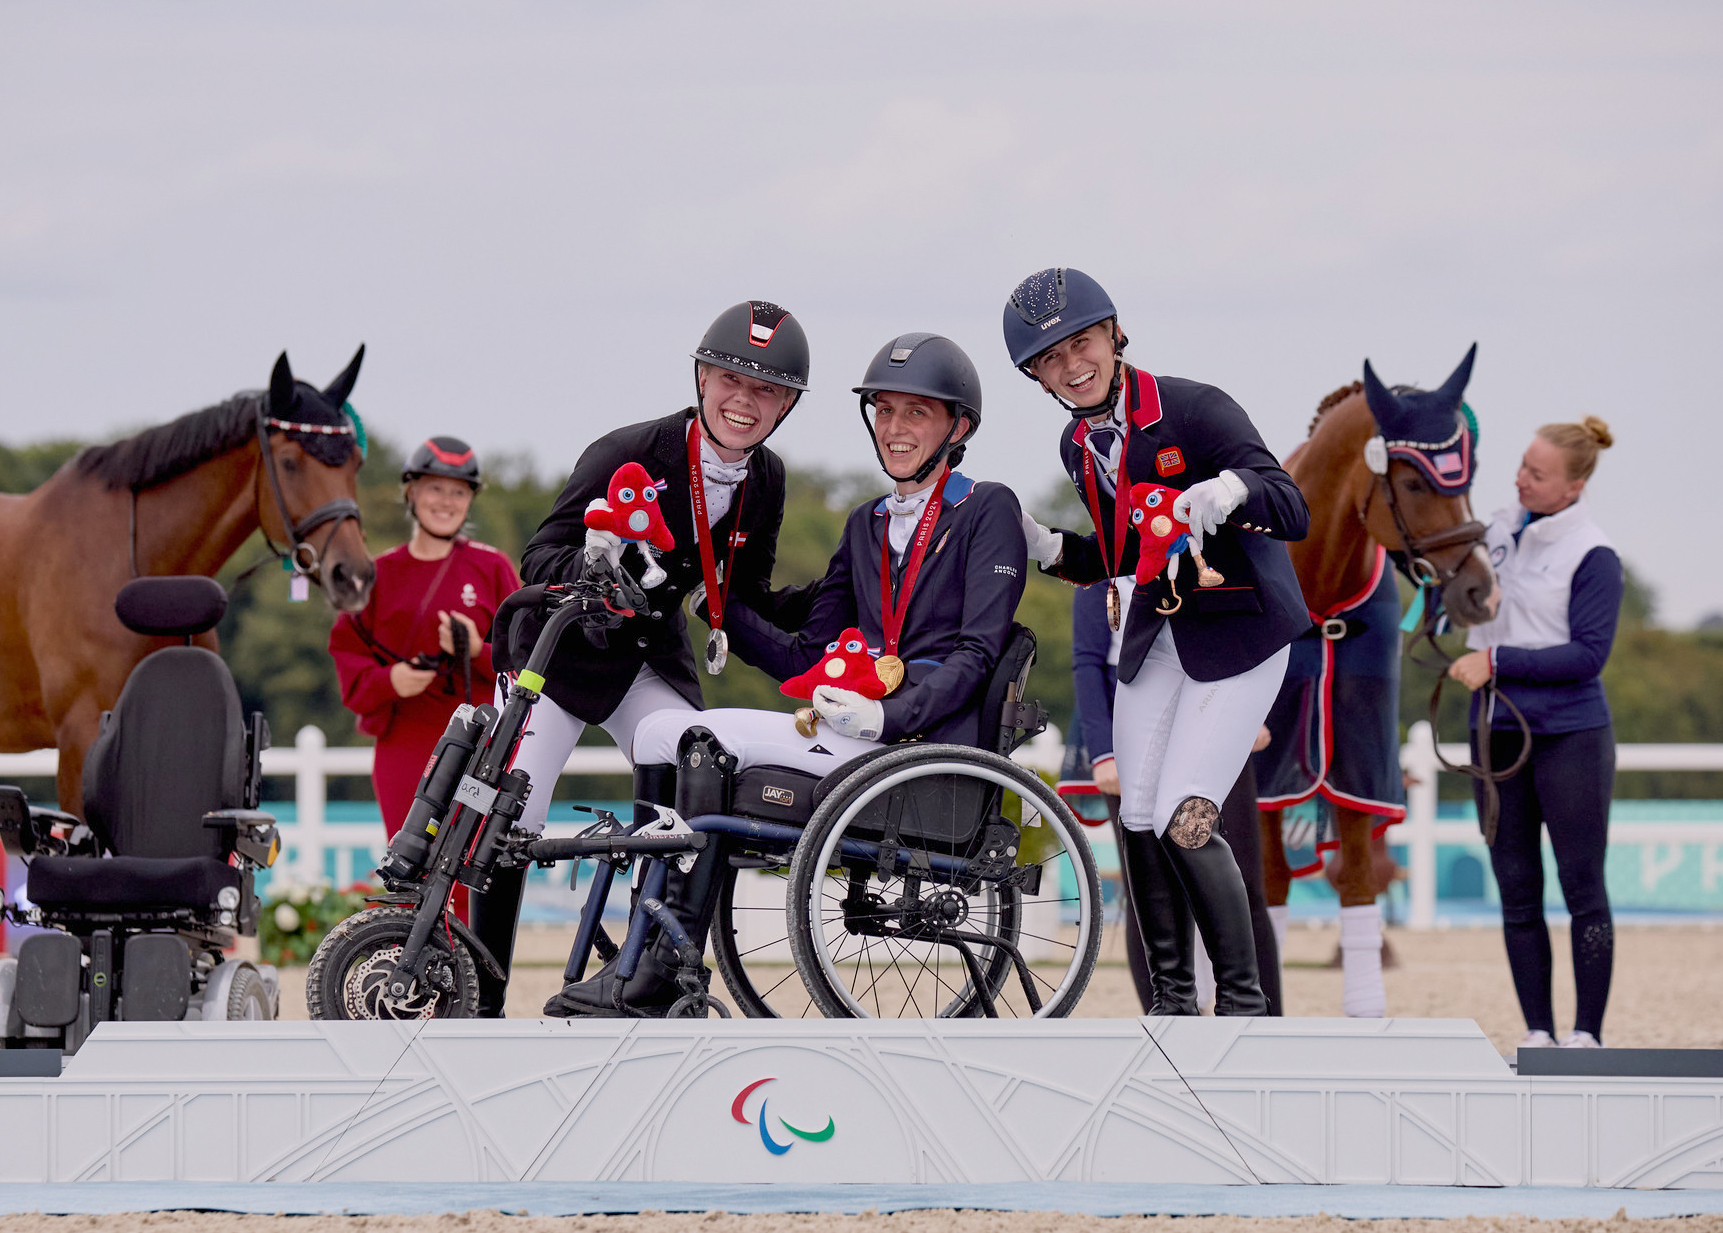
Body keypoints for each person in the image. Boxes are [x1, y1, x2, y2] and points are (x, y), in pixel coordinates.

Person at [544, 331, 1026, 1017]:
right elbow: (806, 655)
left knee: (700, 740)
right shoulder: (865, 523)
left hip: (923, 743)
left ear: (960, 427)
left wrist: (888, 715)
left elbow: (976, 653)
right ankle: (647, 953)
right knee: (659, 735)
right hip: (857, 735)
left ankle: (662, 972)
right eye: (884, 410)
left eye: (916, 413)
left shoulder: (988, 508)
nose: (894, 427)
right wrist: (715, 602)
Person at [1007, 267, 1309, 1016]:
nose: (1071, 365)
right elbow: (1122, 555)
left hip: (1241, 635)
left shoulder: (1194, 407)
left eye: (1081, 343)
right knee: (1137, 813)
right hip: (1160, 634)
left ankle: (1242, 1002)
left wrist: (1231, 489)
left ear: (1114, 334)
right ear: (1036, 376)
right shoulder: (1076, 444)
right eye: (1049, 359)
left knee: (1183, 813)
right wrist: (1046, 545)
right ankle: (1173, 999)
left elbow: (1291, 506)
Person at [494, 301, 808, 1017]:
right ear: (702, 377)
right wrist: (594, 568)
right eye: (731, 379)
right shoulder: (628, 450)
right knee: (514, 812)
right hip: (564, 655)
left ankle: (643, 978)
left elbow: (746, 595)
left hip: (647, 660)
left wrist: (845, 590)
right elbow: (537, 556)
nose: (745, 400)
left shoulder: (768, 478)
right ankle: (483, 993)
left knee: (695, 770)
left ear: (786, 404)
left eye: (766, 389)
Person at [1446, 417, 1621, 1049]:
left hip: (1570, 735)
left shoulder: (1594, 554)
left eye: (1538, 474)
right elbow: (1450, 599)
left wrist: (1498, 660)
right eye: (1523, 464)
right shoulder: (1494, 533)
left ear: (1573, 488)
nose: (1521, 479)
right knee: (1517, 889)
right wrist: (1459, 603)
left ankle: (1586, 1034)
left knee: (1582, 887)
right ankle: (1538, 1032)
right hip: (1494, 734)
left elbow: (1588, 655)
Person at [329, 437, 521, 923]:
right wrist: (390, 680)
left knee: (472, 864)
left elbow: (526, 656)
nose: (446, 501)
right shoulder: (379, 573)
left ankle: (472, 969)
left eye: (458, 492)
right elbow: (348, 656)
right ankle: (418, 964)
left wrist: (476, 650)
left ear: (471, 499)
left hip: (480, 747)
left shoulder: (492, 567)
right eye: (435, 488)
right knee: (410, 862)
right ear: (411, 492)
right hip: (406, 742)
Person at [1071, 581, 1283, 1015]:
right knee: (1141, 838)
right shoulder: (1109, 565)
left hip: (1217, 686)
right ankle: (1172, 1002)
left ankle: (1253, 1007)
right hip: (1142, 694)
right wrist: (1103, 751)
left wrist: (1247, 712)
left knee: (1228, 858)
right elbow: (1087, 659)